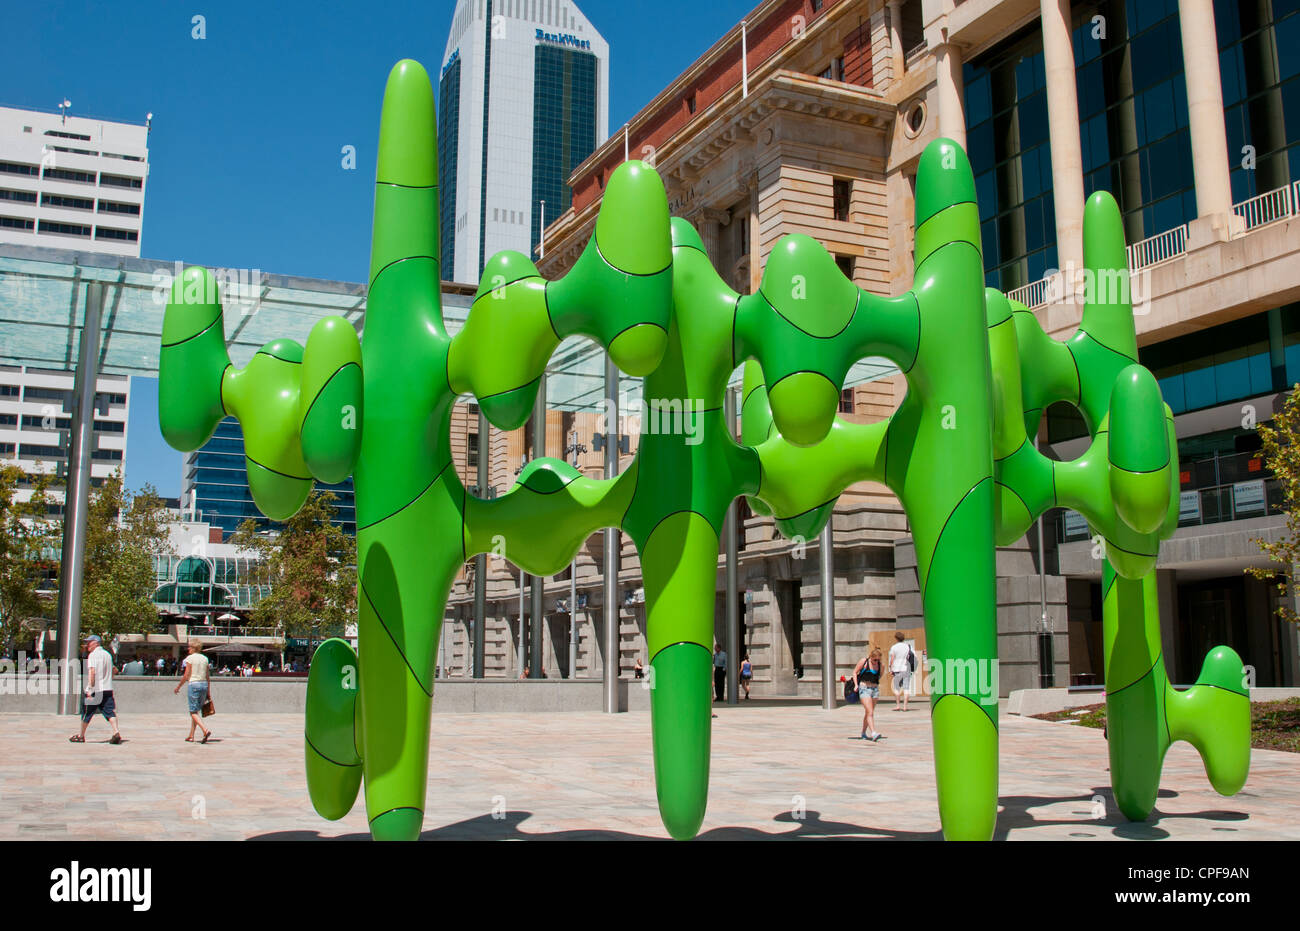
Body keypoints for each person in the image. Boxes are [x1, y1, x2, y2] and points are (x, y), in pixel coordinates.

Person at [70, 634, 121, 744]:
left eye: (89, 642)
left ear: (96, 643)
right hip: (107, 689)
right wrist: (108, 679)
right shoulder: (107, 654)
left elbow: (92, 672)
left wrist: (89, 689)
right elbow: (114, 670)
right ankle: (116, 732)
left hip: (96, 690)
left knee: (87, 713)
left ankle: (81, 736)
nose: (87, 644)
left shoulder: (93, 655)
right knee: (110, 711)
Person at [173, 639, 213, 743]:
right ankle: (191, 735)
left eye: (189, 647)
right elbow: (208, 677)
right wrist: (208, 691)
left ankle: (205, 730)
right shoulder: (205, 659)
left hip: (194, 684)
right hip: (203, 684)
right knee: (196, 711)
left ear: (194, 647)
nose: (188, 649)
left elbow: (186, 675)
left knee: (192, 711)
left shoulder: (190, 658)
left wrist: (178, 687)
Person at [851, 648, 885, 741]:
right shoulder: (864, 662)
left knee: (868, 712)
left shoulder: (881, 665)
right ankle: (873, 732)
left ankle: (863, 732)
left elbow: (879, 675)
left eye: (878, 660)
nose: (876, 662)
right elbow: (854, 672)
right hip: (864, 688)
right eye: (875, 660)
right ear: (871, 657)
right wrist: (856, 685)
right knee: (870, 712)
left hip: (874, 690)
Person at [888, 631, 913, 711]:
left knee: (897, 688)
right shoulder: (908, 646)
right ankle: (905, 706)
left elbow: (892, 659)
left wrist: (890, 669)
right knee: (906, 688)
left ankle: (898, 705)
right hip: (906, 669)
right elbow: (913, 656)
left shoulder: (894, 647)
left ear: (896, 638)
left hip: (897, 669)